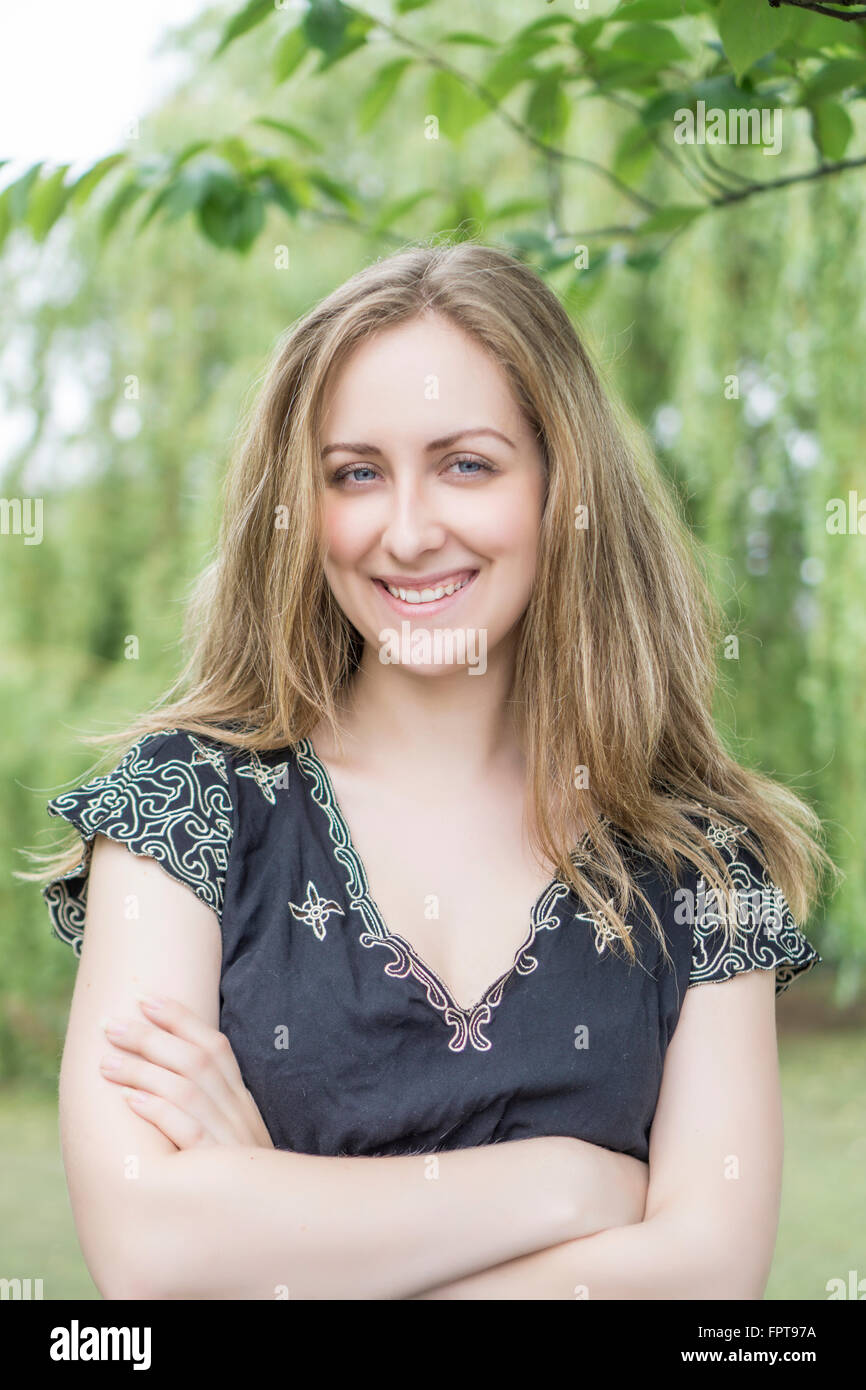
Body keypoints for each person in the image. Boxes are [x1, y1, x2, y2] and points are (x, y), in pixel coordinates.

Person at [29, 241, 833, 1300]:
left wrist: (271, 1206)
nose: (406, 532)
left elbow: (703, 1285)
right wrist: (570, 1186)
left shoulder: (699, 868)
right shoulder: (183, 810)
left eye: (466, 464)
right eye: (355, 473)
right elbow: (150, 1258)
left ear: (561, 485)